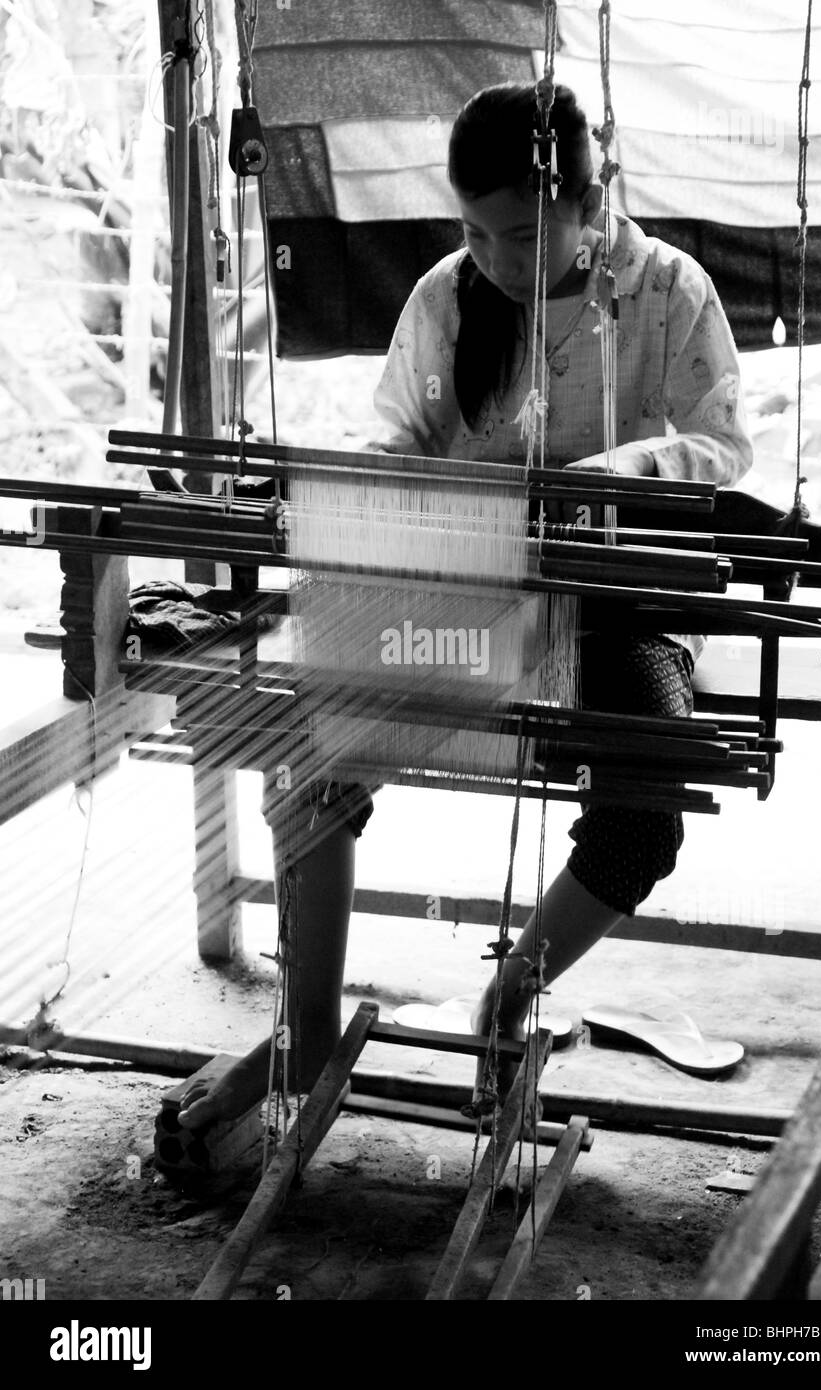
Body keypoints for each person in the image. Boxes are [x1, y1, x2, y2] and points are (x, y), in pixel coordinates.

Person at [178, 81, 751, 1132]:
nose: (495, 258)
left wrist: (613, 473)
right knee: (308, 735)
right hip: (469, 591)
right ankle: (303, 1040)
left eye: (525, 232)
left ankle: (511, 993)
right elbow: (395, 439)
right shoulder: (447, 297)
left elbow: (721, 445)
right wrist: (379, 495)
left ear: (592, 197)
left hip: (620, 602)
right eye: (475, 232)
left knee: (647, 804)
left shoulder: (670, 291)